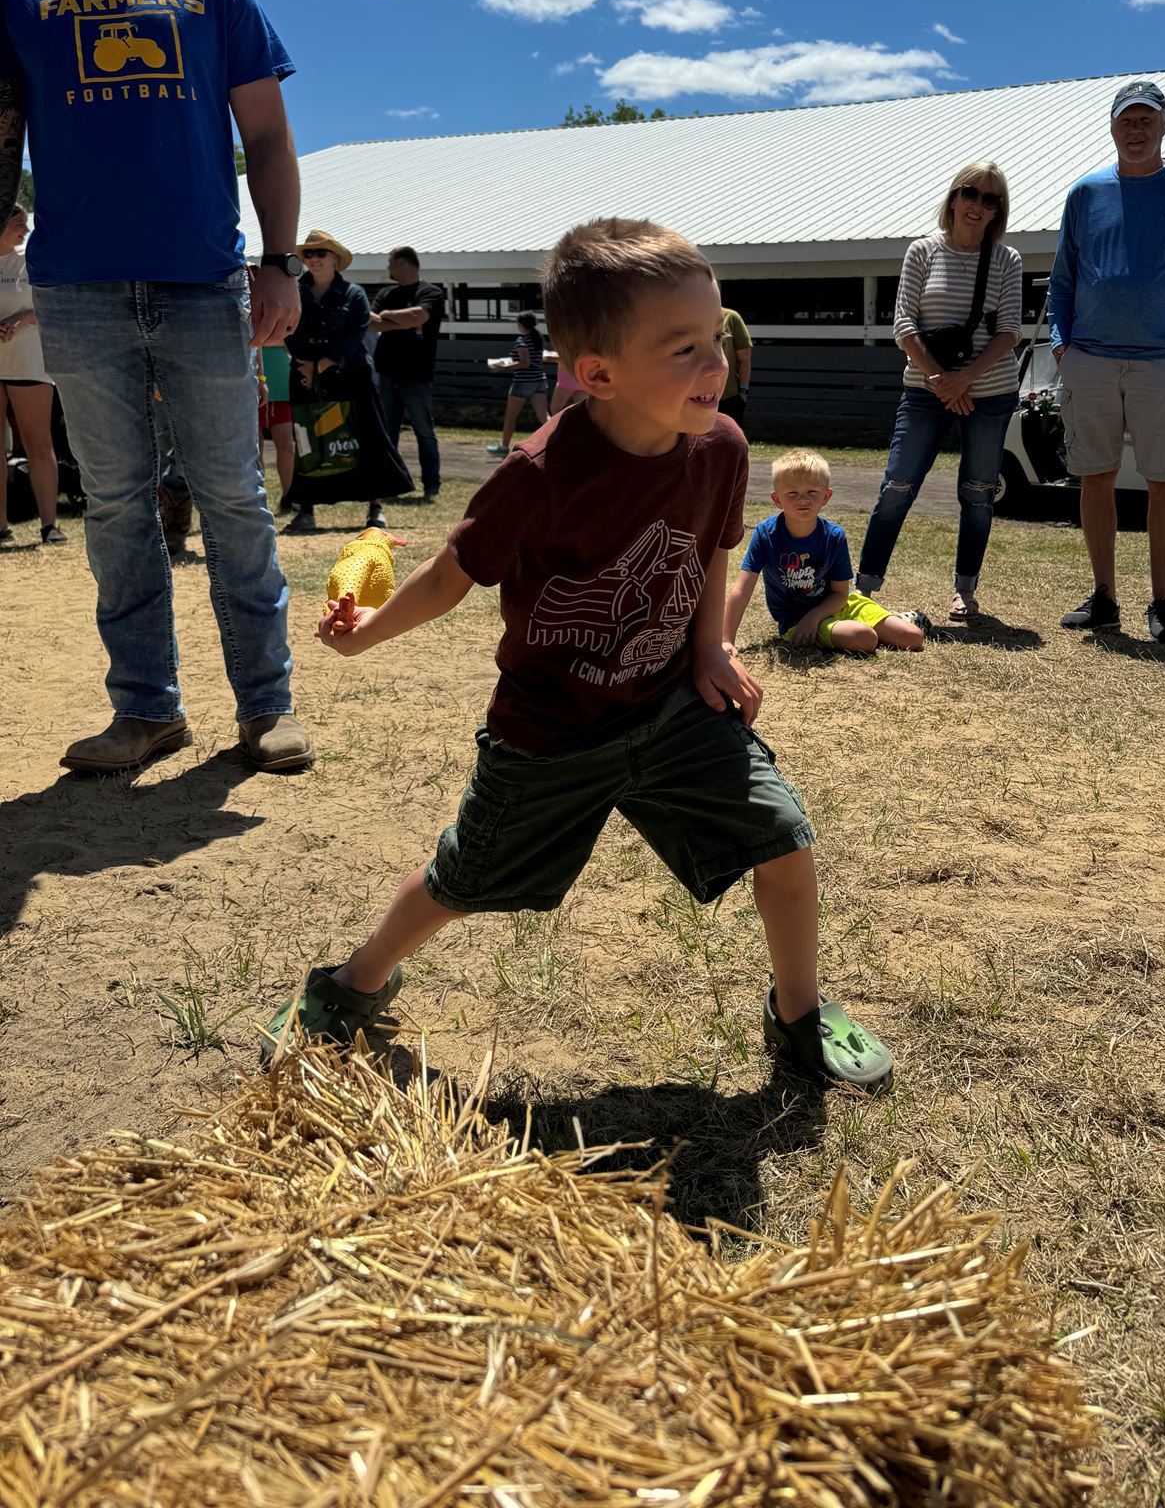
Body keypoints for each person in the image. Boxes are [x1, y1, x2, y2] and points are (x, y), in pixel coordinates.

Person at [263, 216, 894, 1094]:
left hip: (673, 708)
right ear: (597, 373)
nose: (714, 364)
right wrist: (363, 635)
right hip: (549, 733)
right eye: (682, 348)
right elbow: (453, 575)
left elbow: (712, 548)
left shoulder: (723, 447)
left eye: (717, 336)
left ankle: (798, 1011)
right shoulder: (539, 473)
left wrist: (709, 646)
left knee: (784, 838)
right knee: (463, 876)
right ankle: (349, 984)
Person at [0, 0, 311, 773]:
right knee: (121, 505)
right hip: (76, 282)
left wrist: (280, 262)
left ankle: (266, 708)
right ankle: (147, 710)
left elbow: (264, 136)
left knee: (232, 496)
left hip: (202, 279)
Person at [1049, 79, 1165, 646]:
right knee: (1094, 479)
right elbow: (1063, 280)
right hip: (1090, 362)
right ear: (1112, 126)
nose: (1136, 129)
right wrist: (1062, 346)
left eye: (1147, 119)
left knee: (1164, 481)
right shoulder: (1085, 193)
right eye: (1127, 119)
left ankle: (1162, 602)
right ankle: (1104, 598)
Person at [855, 162, 1023, 625]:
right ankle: (863, 588)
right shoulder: (922, 252)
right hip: (925, 389)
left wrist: (963, 379)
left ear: (997, 212)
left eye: (991, 200)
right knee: (898, 485)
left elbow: (1009, 331)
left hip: (989, 392)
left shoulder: (1007, 260)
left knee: (978, 491)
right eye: (970, 193)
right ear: (953, 198)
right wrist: (941, 381)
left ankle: (964, 592)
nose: (978, 205)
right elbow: (903, 326)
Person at [725, 449, 924, 656]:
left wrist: (816, 616)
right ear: (777, 499)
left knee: (913, 637)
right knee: (865, 638)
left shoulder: (834, 536)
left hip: (839, 606)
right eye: (792, 493)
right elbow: (741, 590)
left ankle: (900, 620)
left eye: (812, 492)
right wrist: (726, 640)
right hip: (796, 620)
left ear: (826, 496)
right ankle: (866, 627)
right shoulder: (765, 535)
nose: (803, 500)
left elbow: (840, 593)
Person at [282, 230, 410, 535]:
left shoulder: (354, 293)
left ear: (335, 259)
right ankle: (306, 511)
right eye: (309, 254)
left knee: (369, 437)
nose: (314, 260)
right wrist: (306, 364)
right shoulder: (294, 291)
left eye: (320, 254)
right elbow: (288, 328)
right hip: (303, 373)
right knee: (307, 438)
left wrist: (325, 363)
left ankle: (375, 509)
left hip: (351, 374)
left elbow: (356, 332)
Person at [0, 205, 65, 547]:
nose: (25, 230)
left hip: (29, 361)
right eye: (19, 224)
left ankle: (49, 525)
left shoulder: (31, 260)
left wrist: (23, 315)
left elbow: (54, 309)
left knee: (39, 443)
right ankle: (1, 528)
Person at [369, 245, 446, 503]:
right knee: (387, 432)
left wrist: (389, 316)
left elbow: (419, 316)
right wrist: (401, 320)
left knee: (424, 431)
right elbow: (371, 322)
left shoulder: (431, 292)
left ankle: (431, 486)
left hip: (416, 375)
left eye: (391, 264)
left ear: (403, 263)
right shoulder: (387, 293)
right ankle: (389, 485)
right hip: (387, 373)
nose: (388, 270)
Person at [498, 311, 550, 455]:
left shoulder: (522, 341)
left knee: (510, 417)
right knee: (544, 417)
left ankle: (503, 447)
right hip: (539, 379)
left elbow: (524, 363)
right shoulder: (537, 339)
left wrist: (503, 366)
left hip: (523, 381)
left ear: (521, 325)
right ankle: (556, 441)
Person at [256, 341, 296, 511]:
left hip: (281, 383)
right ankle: (257, 499)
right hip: (253, 383)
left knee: (286, 444)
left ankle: (289, 497)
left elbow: (288, 337)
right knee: (256, 449)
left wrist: (265, 337)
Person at [719, 305, 752, 428]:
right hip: (696, 397)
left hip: (729, 398)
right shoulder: (688, 317)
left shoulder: (731, 318)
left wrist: (743, 392)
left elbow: (745, 360)